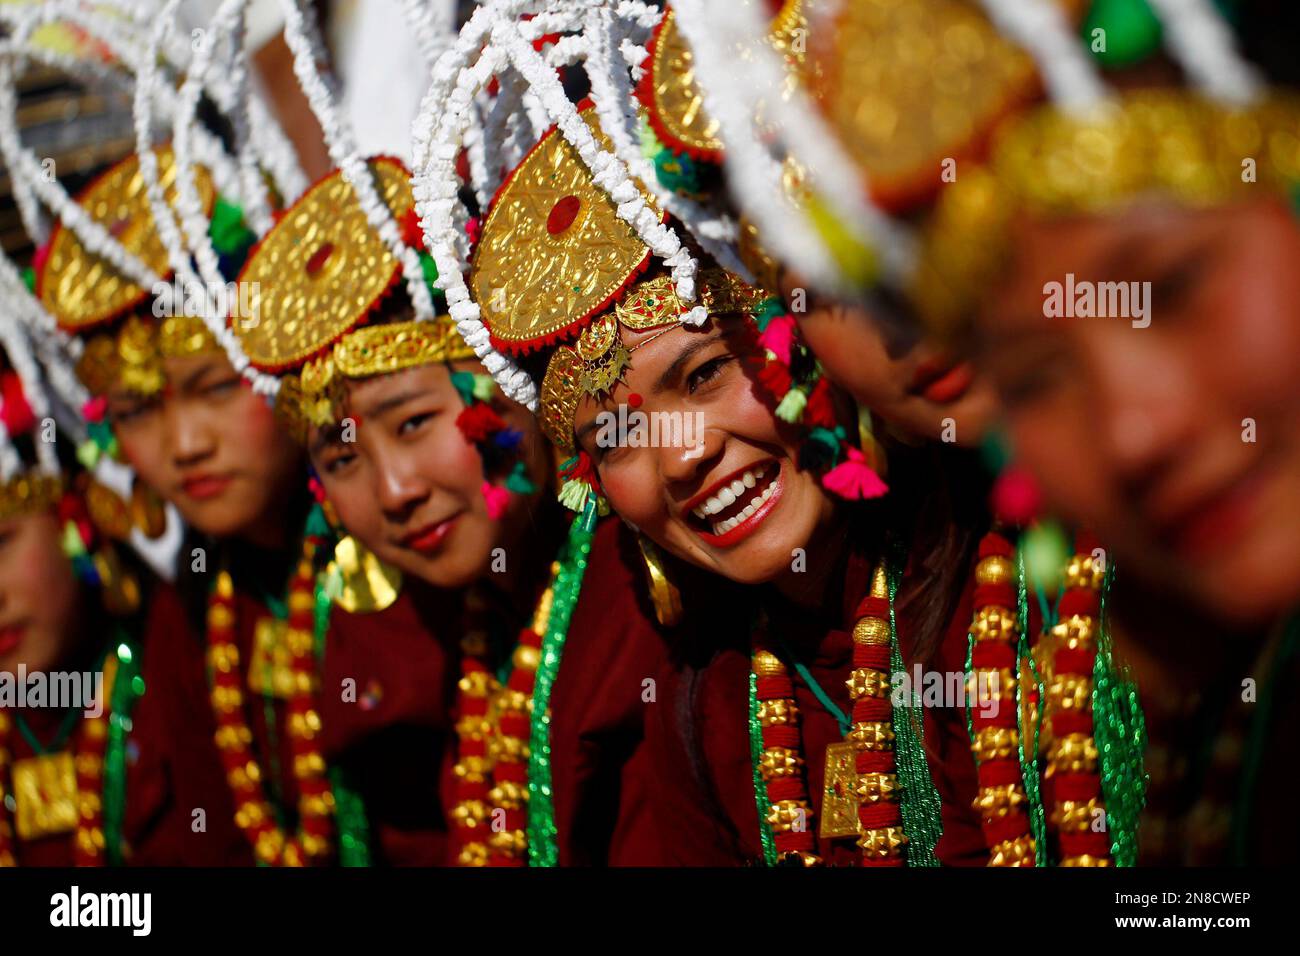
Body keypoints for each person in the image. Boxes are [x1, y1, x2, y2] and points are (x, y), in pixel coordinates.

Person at [439, 103, 991, 866]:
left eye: (704, 375)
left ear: (804, 345)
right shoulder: (707, 706)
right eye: (619, 438)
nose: (681, 458)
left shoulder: (1007, 579)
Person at [234, 154, 666, 866]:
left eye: (412, 424)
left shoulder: (643, 592)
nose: (394, 491)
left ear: (505, 386)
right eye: (341, 459)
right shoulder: (468, 617)